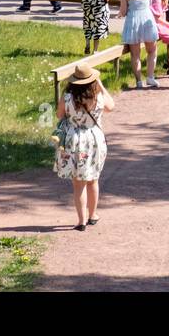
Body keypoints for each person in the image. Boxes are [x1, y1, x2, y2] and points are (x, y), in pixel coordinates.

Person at [53, 64, 115, 231]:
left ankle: (81, 221)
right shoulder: (98, 97)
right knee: (93, 179)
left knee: (78, 183)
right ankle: (92, 215)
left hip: (74, 140)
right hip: (94, 139)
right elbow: (111, 106)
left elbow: (59, 115)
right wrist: (101, 85)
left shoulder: (67, 97)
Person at [120, 0, 160, 90]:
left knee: (135, 54)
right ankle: (150, 76)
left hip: (133, 21)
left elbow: (123, 12)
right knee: (152, 50)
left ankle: (138, 81)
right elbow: (149, 5)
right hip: (147, 20)